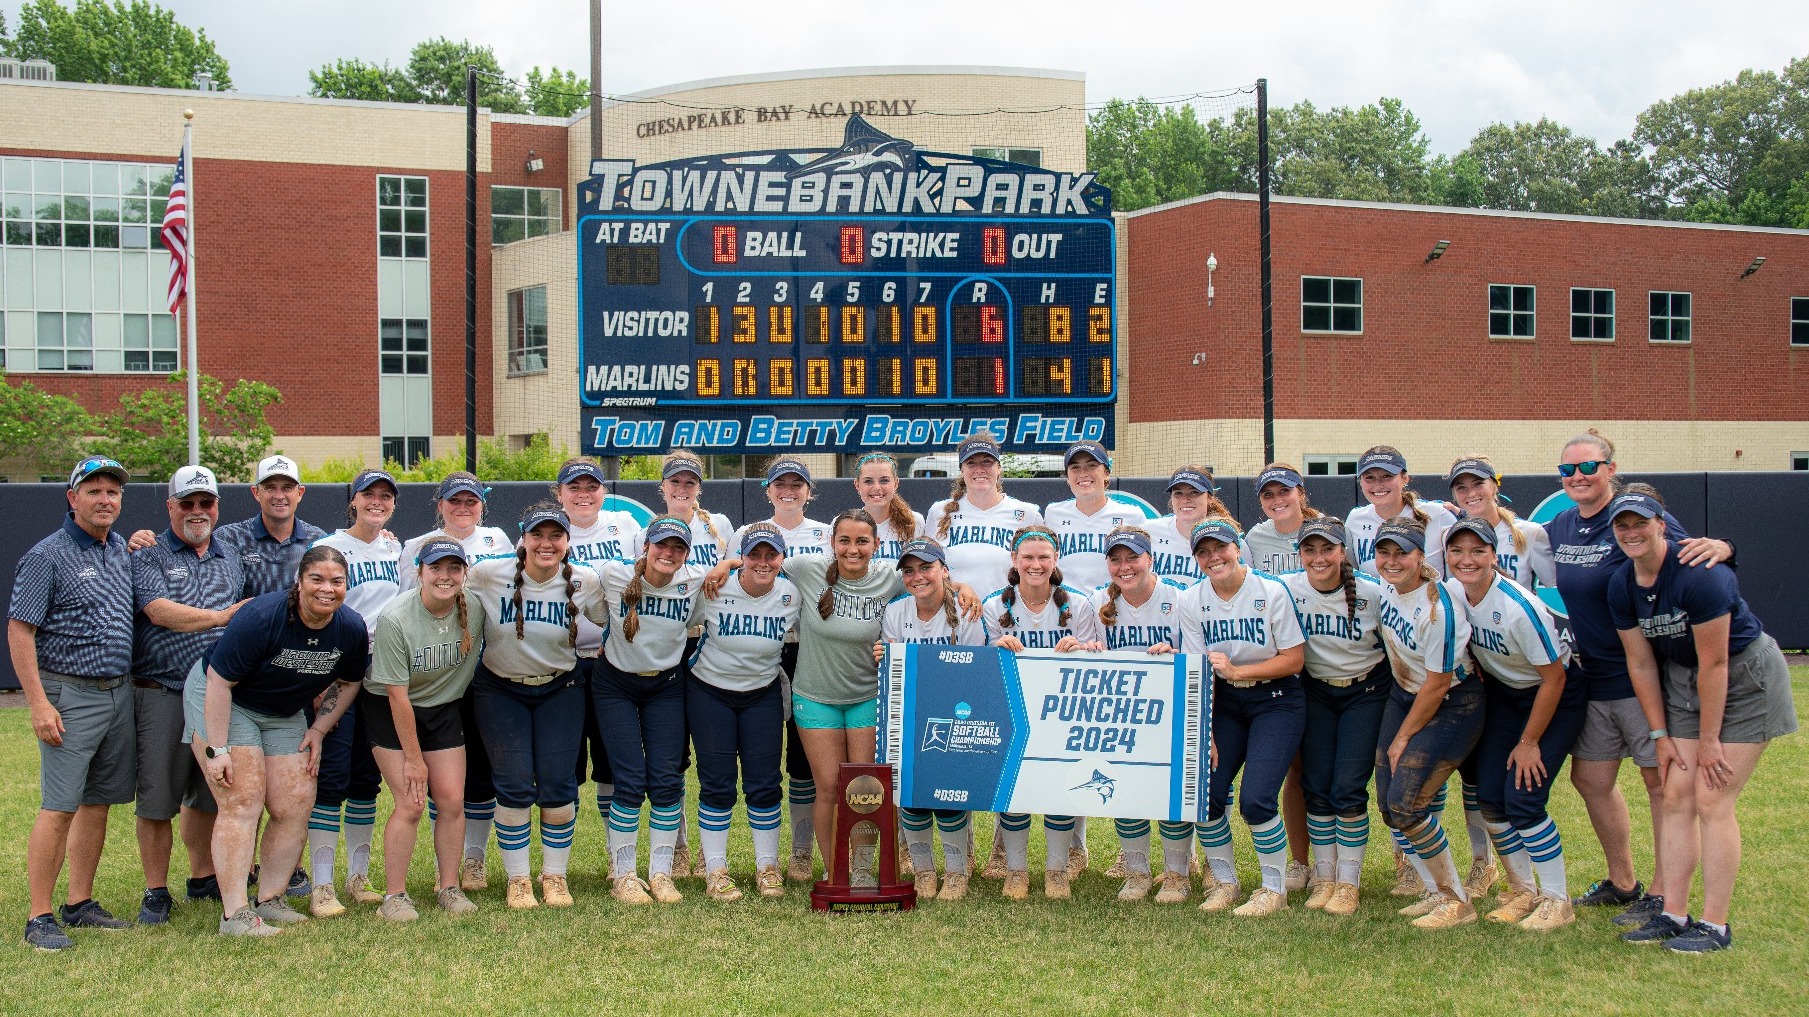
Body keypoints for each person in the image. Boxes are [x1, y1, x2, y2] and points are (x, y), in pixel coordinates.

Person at [1546, 430, 1731, 926]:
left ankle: (1663, 889)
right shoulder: (1562, 524)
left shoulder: (1634, 517)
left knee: (1659, 782)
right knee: (1589, 778)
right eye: (1568, 470)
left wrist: (1725, 546)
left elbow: (1695, 559)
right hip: (1593, 675)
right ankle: (1623, 881)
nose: (1578, 477)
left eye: (1589, 467)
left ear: (1610, 468)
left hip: (1646, 675)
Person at [1608, 489, 1797, 953]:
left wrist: (1709, 740)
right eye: (1622, 525)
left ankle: (1715, 924)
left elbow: (1716, 665)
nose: (1632, 532)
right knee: (1675, 794)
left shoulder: (1699, 577)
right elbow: (1642, 663)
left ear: (1661, 525)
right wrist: (1660, 735)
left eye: (1641, 523)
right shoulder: (1621, 584)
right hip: (1684, 681)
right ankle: (1673, 913)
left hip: (1743, 677)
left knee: (1712, 798)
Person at [187, 544, 369, 937]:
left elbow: (350, 682)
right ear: (299, 582)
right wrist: (217, 750)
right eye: (317, 579)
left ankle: (270, 899)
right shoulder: (262, 616)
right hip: (225, 698)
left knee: (295, 801)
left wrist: (319, 728)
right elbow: (220, 683)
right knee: (242, 799)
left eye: (337, 581)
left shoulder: (350, 628)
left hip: (283, 710)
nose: (327, 589)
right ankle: (234, 914)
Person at [13, 457, 143, 950]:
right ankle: (39, 916)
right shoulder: (48, 555)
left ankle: (79, 902)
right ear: (72, 498)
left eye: (113, 491)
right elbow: (20, 630)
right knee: (59, 805)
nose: (105, 499)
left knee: (97, 803)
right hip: (70, 692)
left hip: (118, 691)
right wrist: (39, 704)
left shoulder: (119, 551)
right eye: (94, 491)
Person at [464, 504, 608, 910]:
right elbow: (451, 595)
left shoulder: (584, 579)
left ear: (567, 541)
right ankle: (518, 879)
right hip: (500, 688)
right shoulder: (489, 574)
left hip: (560, 687)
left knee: (558, 782)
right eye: (538, 535)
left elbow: (611, 613)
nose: (546, 543)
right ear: (522, 539)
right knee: (512, 782)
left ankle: (555, 877)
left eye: (556, 535)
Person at [1444, 517, 1583, 931]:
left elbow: (1555, 678)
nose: (1466, 560)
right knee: (1489, 795)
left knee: (1524, 799)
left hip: (1553, 696)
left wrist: (1529, 742)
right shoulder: (1455, 592)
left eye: (1477, 551)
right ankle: (1523, 889)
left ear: (1494, 556)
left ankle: (1558, 899)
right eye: (1457, 551)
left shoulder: (1519, 608)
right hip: (1509, 693)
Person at [127, 466, 246, 925]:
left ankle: (202, 877)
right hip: (162, 689)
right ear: (170, 507)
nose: (197, 511)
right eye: (187, 503)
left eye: (206, 502)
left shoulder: (230, 552)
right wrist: (220, 617)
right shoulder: (148, 552)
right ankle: (156, 889)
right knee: (158, 797)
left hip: (215, 692)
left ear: (217, 505)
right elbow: (157, 612)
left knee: (210, 793)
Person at [1180, 519, 1306, 916]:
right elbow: (1201, 669)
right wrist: (1206, 730)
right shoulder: (1191, 600)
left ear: (1237, 547)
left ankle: (1274, 887)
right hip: (1225, 703)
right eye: (1203, 552)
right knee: (1206, 792)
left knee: (1256, 799)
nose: (1213, 557)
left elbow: (1294, 659)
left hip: (1276, 699)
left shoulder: (1270, 590)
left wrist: (1239, 672)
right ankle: (1225, 882)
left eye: (1220, 548)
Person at [399, 472, 514, 893]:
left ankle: (474, 861)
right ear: (439, 504)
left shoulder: (499, 539)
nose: (463, 509)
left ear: (483, 504)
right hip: (437, 672)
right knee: (440, 781)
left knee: (479, 772)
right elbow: (407, 608)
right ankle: (443, 862)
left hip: (484, 669)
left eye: (471, 501)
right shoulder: (416, 547)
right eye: (454, 501)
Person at [363, 536, 486, 921]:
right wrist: (414, 760)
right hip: (391, 709)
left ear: (466, 573)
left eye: (454, 568)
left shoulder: (475, 609)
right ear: (419, 572)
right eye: (435, 568)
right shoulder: (395, 618)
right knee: (412, 803)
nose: (445, 577)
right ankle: (394, 896)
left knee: (451, 801)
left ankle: (449, 887)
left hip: (443, 707)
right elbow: (397, 698)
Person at [1370, 520, 1482, 930]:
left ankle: (1456, 899)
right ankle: (1435, 890)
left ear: (1422, 557)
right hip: (1406, 695)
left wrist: (1402, 738)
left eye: (1402, 553)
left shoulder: (1438, 607)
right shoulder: (1389, 588)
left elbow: (1437, 685)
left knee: (1407, 803)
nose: (1392, 561)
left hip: (1451, 703)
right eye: (1385, 552)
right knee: (1388, 806)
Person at [983, 525, 1105, 898]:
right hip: (1013, 707)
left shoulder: (1078, 604)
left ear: (1055, 561)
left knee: (1059, 783)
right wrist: (997, 648)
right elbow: (982, 666)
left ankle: (1057, 869)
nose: (1035, 565)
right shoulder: (994, 605)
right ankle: (1015, 869)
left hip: (1062, 710)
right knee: (1016, 784)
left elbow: (1094, 661)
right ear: (1014, 561)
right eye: (1028, 557)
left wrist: (1082, 647)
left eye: (1043, 557)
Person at [591, 516, 708, 905]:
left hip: (666, 686)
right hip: (616, 684)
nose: (668, 553)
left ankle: (660, 873)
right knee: (628, 778)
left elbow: (695, 621)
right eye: (661, 545)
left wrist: (725, 565)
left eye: (678, 547)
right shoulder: (613, 574)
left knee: (666, 777)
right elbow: (592, 609)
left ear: (687, 553)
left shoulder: (692, 582)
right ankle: (624, 875)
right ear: (646, 546)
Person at [685, 524, 801, 900]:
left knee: (765, 782)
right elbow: (675, 617)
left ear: (783, 559)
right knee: (717, 782)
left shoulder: (791, 593)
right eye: (755, 555)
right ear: (742, 558)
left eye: (772, 555)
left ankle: (767, 867)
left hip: (762, 694)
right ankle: (716, 870)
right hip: (711, 692)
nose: (763, 563)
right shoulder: (714, 587)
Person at [305, 468, 401, 916]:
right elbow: (311, 605)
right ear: (353, 501)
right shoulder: (329, 548)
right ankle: (321, 885)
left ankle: (357, 876)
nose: (377, 503)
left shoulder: (394, 546)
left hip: (384, 672)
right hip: (341, 668)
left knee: (366, 779)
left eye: (385, 496)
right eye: (369, 495)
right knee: (330, 777)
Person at [1283, 517, 1388, 917]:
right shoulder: (1288, 589)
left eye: (1327, 548)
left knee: (1347, 787)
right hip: (1315, 690)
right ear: (1300, 554)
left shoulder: (1374, 594)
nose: (1319, 557)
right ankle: (1325, 876)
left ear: (1343, 552)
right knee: (1316, 785)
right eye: (1309, 549)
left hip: (1366, 690)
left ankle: (1348, 882)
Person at [1082, 526, 1187, 901]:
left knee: (1167, 788)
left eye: (1132, 557)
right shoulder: (1099, 601)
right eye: (1116, 559)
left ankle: (1177, 873)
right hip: (1123, 710)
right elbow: (1094, 655)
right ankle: (1138, 871)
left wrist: (1175, 654)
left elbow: (1196, 656)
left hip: (1169, 706)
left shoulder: (1178, 596)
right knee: (1124, 787)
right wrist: (1090, 648)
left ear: (1150, 559)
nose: (1124, 566)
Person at [882, 538, 988, 901]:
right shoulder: (896, 612)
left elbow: (977, 670)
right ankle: (925, 871)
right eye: (909, 571)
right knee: (911, 793)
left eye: (926, 567)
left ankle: (957, 872)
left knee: (949, 794)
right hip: (910, 714)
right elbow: (891, 668)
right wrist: (881, 656)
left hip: (956, 715)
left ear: (944, 570)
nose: (917, 576)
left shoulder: (965, 609)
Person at [642, 449, 732, 877]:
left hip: (709, 641)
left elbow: (732, 572)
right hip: (667, 643)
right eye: (674, 482)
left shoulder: (720, 527)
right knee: (672, 750)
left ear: (700, 487)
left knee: (712, 747)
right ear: (662, 486)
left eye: (689, 483)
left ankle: (709, 851)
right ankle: (677, 844)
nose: (681, 489)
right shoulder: (648, 528)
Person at [1241, 462, 1323, 892]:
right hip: (1280, 660)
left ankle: (1350, 865)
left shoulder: (1327, 530)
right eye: (1268, 495)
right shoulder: (1255, 538)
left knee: (1325, 770)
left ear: (1300, 491)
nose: (1278, 501)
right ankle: (1299, 861)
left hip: (1323, 658)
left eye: (1284, 492)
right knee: (1294, 768)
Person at [555, 457, 642, 860]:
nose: (583, 494)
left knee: (609, 759)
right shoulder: (545, 533)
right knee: (567, 763)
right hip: (563, 661)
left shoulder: (624, 525)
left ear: (603, 492)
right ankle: (561, 862)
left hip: (613, 661)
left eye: (591, 487)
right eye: (574, 488)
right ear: (560, 495)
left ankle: (613, 854)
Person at [926, 433, 1045, 597]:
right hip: (954, 614)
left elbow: (1041, 569)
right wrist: (959, 588)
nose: (979, 469)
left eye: (987, 462)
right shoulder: (939, 511)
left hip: (1006, 614)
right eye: (971, 463)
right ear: (962, 470)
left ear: (999, 468)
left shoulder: (1027, 514)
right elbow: (928, 570)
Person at [1346, 446, 1457, 574]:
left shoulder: (1438, 514)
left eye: (1387, 476)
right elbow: (1353, 577)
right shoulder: (1355, 519)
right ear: (1360, 482)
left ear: (1405, 478)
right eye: (1369, 478)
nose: (1378, 484)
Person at [1446, 456, 1553, 587]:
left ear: (1494, 486)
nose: (1471, 493)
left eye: (1478, 484)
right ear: (1455, 495)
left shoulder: (1529, 533)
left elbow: (1554, 589)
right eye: (1461, 488)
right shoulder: (1449, 537)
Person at [1149, 467, 1231, 586]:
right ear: (1171, 498)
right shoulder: (1149, 531)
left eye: (1194, 492)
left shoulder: (1228, 538)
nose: (1185, 499)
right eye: (1178, 493)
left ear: (1209, 498)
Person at [853, 451, 923, 564]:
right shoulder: (843, 524)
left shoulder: (914, 522)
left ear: (895, 483)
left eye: (884, 480)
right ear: (857, 485)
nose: (876, 487)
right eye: (868, 481)